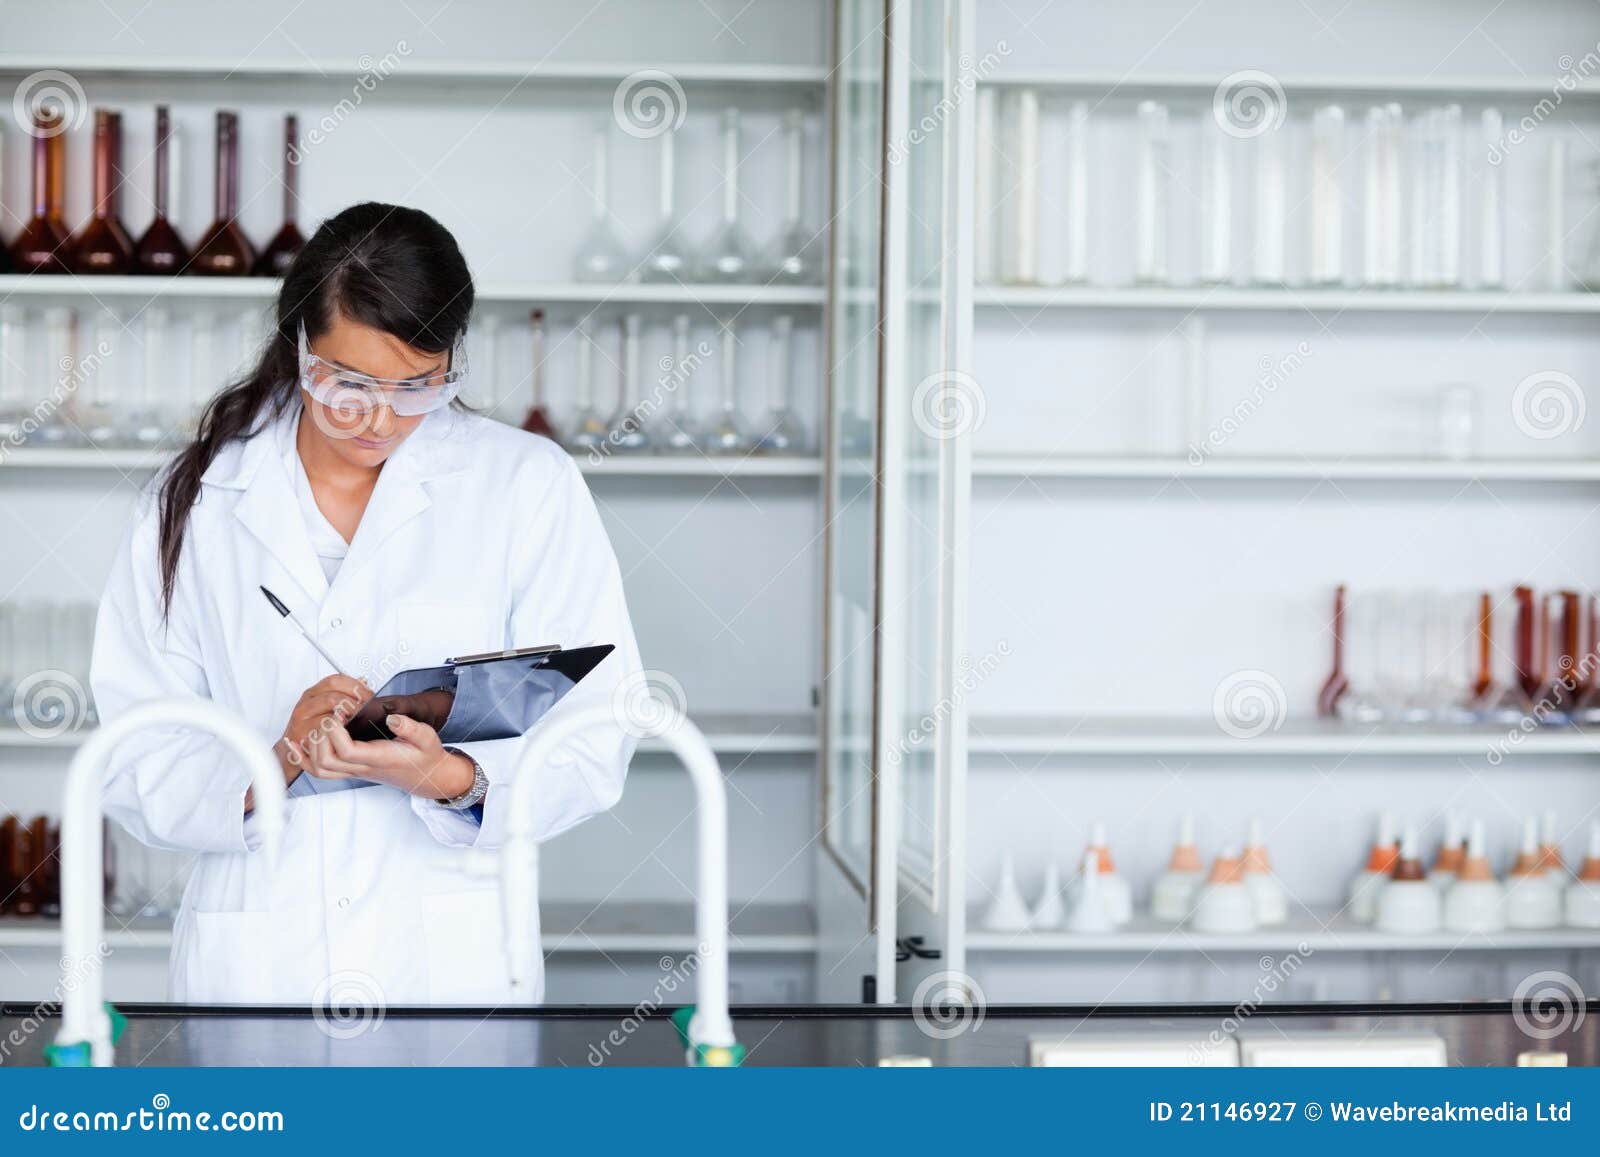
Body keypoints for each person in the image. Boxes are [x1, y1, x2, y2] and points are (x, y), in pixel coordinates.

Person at [91, 202, 641, 1005]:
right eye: (346, 383)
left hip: (448, 964)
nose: (379, 419)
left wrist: (451, 777)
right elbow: (136, 751)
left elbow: (600, 727)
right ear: (300, 344)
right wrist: (274, 758)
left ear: (453, 360)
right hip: (258, 962)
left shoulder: (526, 483)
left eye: (418, 387)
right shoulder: (199, 496)